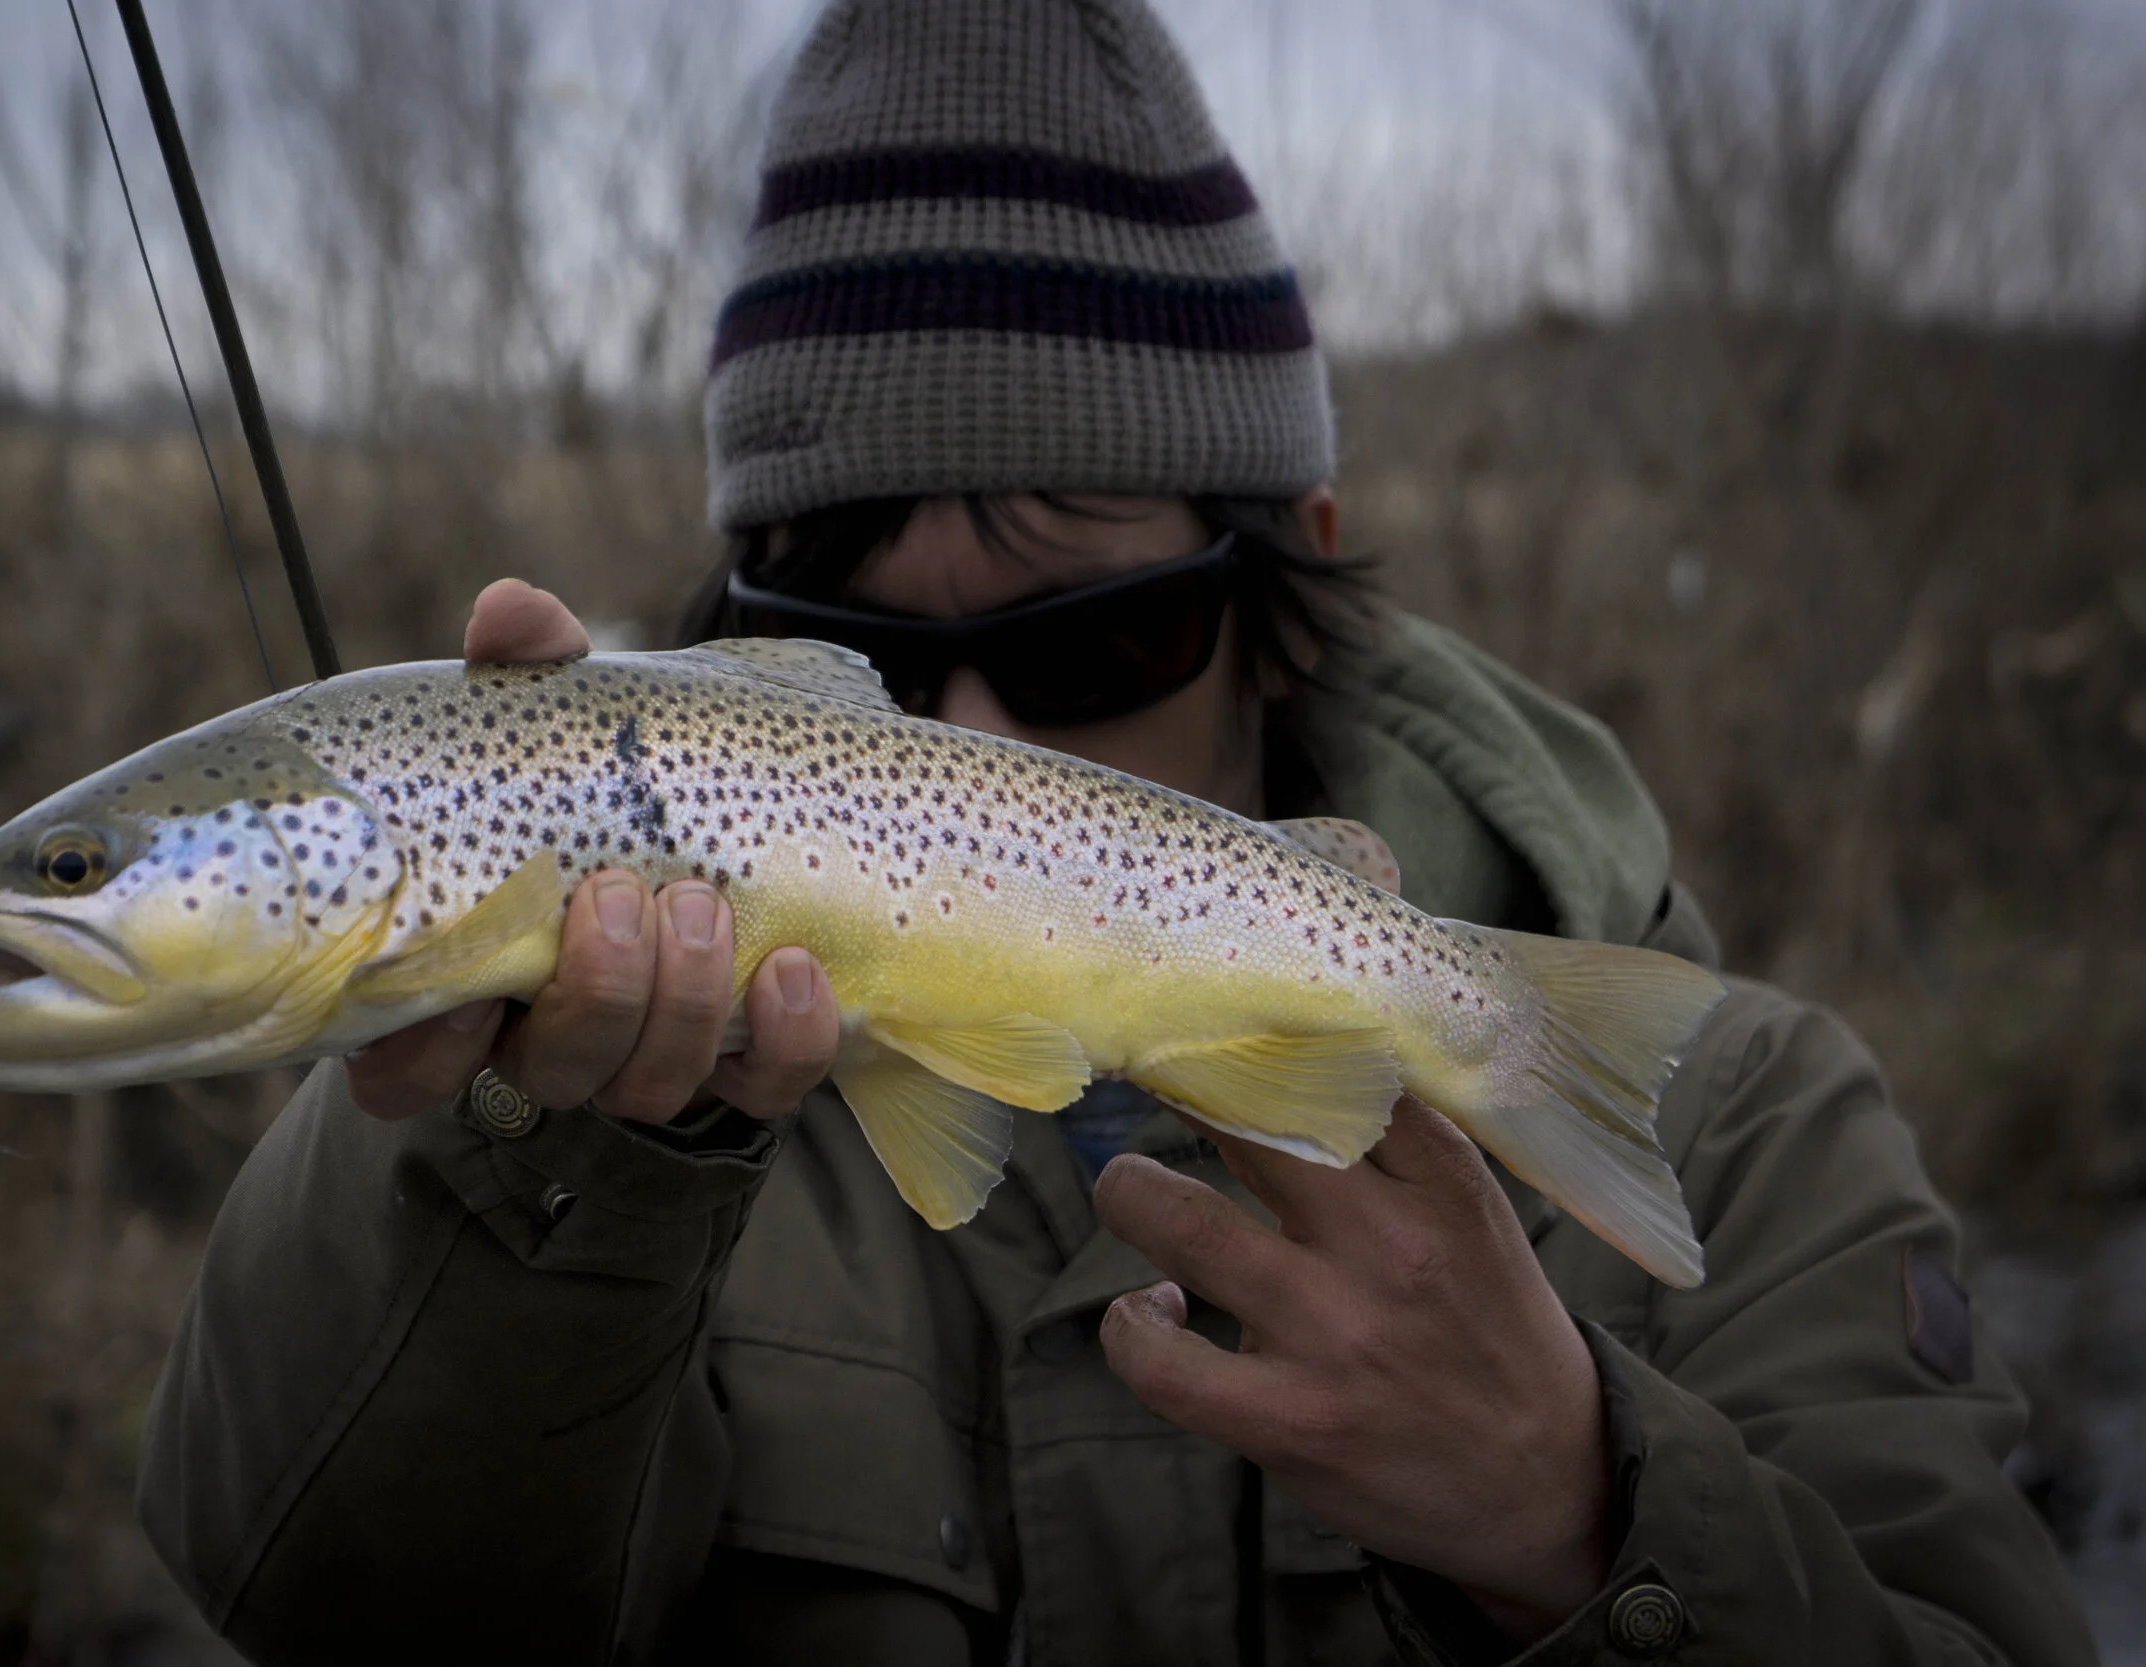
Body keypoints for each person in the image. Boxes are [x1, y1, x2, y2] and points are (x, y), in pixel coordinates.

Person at [136, 2, 2098, 1661]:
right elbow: (322, 1593)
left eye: (1093, 631)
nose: (968, 730)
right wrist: (525, 1166)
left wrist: (1584, 1513)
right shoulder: (565, 1062)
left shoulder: (1746, 1119)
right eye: (853, 651)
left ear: (1282, 575)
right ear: (741, 641)